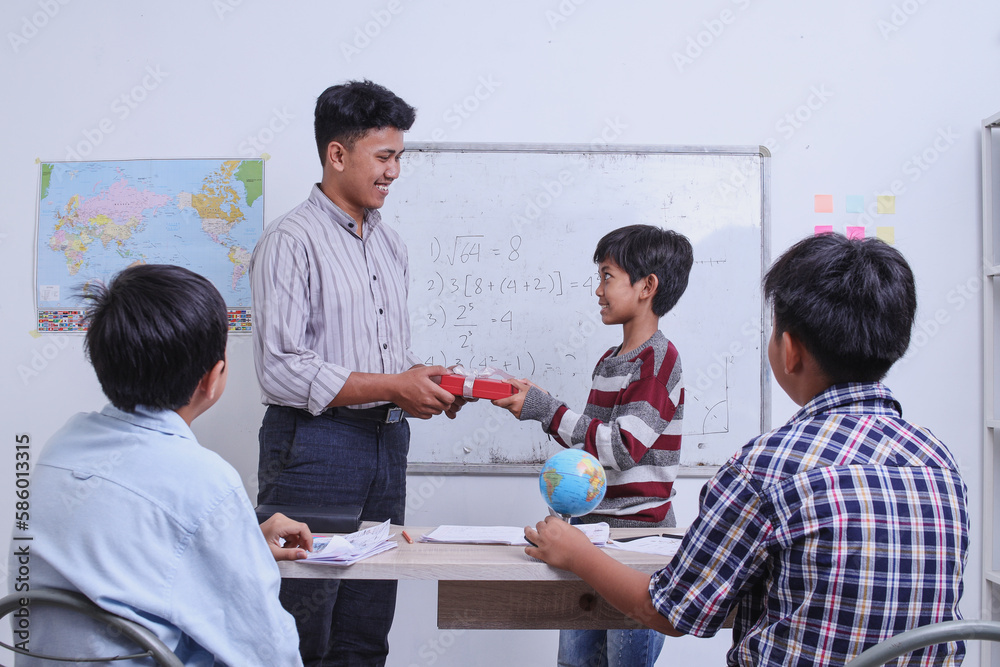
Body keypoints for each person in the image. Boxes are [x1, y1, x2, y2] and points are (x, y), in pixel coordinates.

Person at [524, 232, 970, 665]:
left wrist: (580, 553)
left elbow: (671, 609)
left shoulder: (767, 468)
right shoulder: (939, 464)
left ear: (789, 351)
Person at [249, 80, 463, 666]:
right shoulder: (290, 241)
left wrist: (418, 381)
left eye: (400, 157)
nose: (395, 172)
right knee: (302, 626)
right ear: (337, 155)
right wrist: (395, 384)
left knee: (367, 626)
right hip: (315, 446)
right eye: (385, 156)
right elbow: (281, 368)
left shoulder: (392, 246)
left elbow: (382, 362)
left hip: (386, 443)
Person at [17, 264, 309, 666]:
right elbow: (268, 652)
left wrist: (241, 545)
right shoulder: (205, 481)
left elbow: (126, 554)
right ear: (213, 378)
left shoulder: (60, 449)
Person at [494, 224, 693, 667]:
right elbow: (591, 448)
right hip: (590, 540)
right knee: (575, 661)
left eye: (607, 276)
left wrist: (545, 409)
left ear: (647, 287)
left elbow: (620, 449)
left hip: (639, 543)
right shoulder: (609, 362)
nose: (598, 290)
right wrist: (538, 404)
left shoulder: (659, 361)